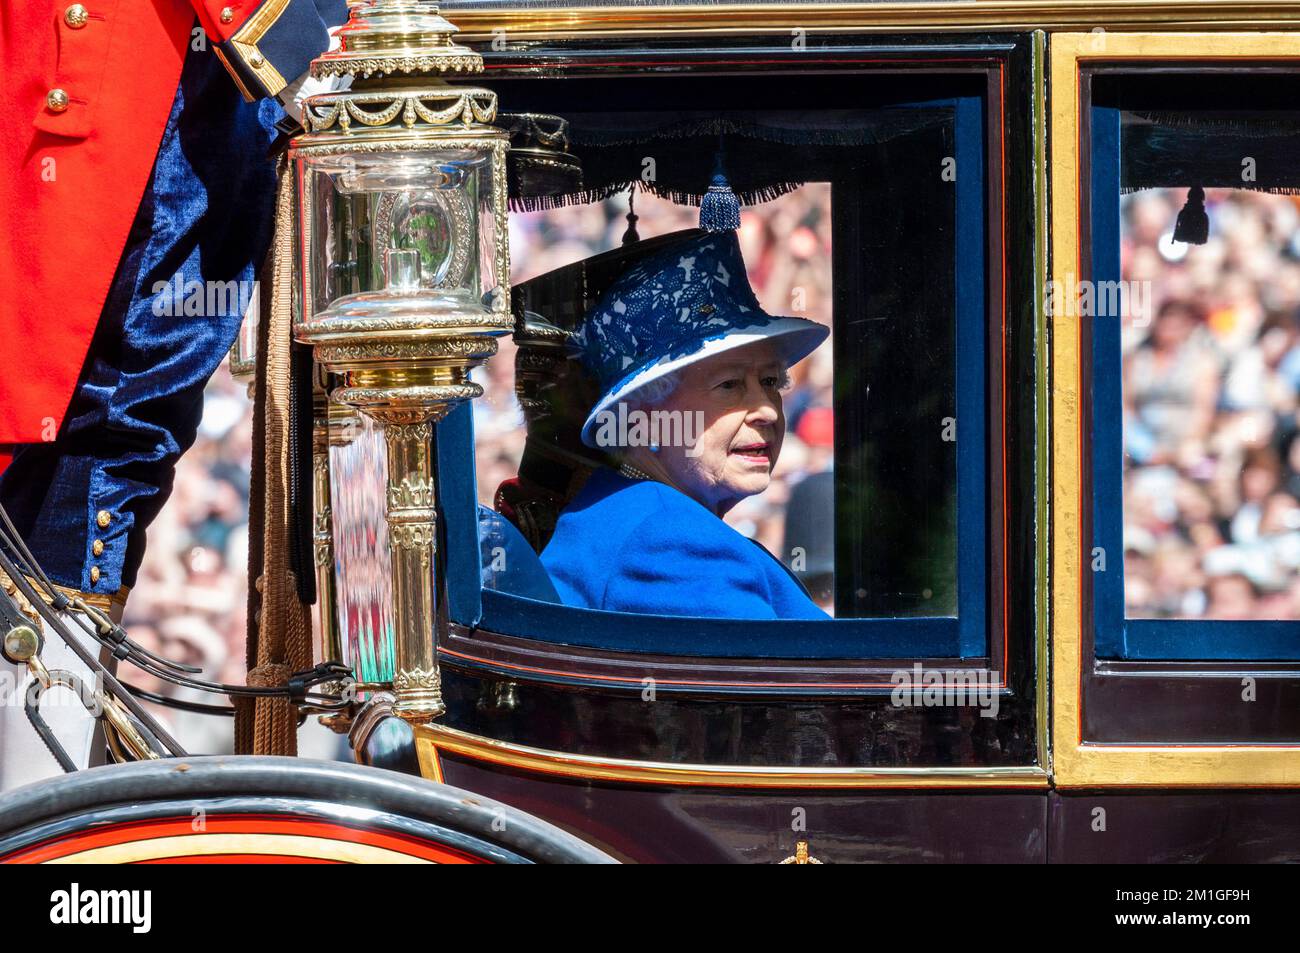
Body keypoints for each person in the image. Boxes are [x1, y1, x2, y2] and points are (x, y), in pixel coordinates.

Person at [0, 0, 347, 791]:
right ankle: (32, 810)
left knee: (109, 447)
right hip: (157, 75)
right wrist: (294, 33)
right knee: (95, 438)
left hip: (206, 79)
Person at [540, 228, 830, 620]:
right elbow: (793, 681)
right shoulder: (671, 541)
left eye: (770, 382)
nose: (768, 410)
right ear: (643, 420)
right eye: (729, 385)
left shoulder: (638, 512)